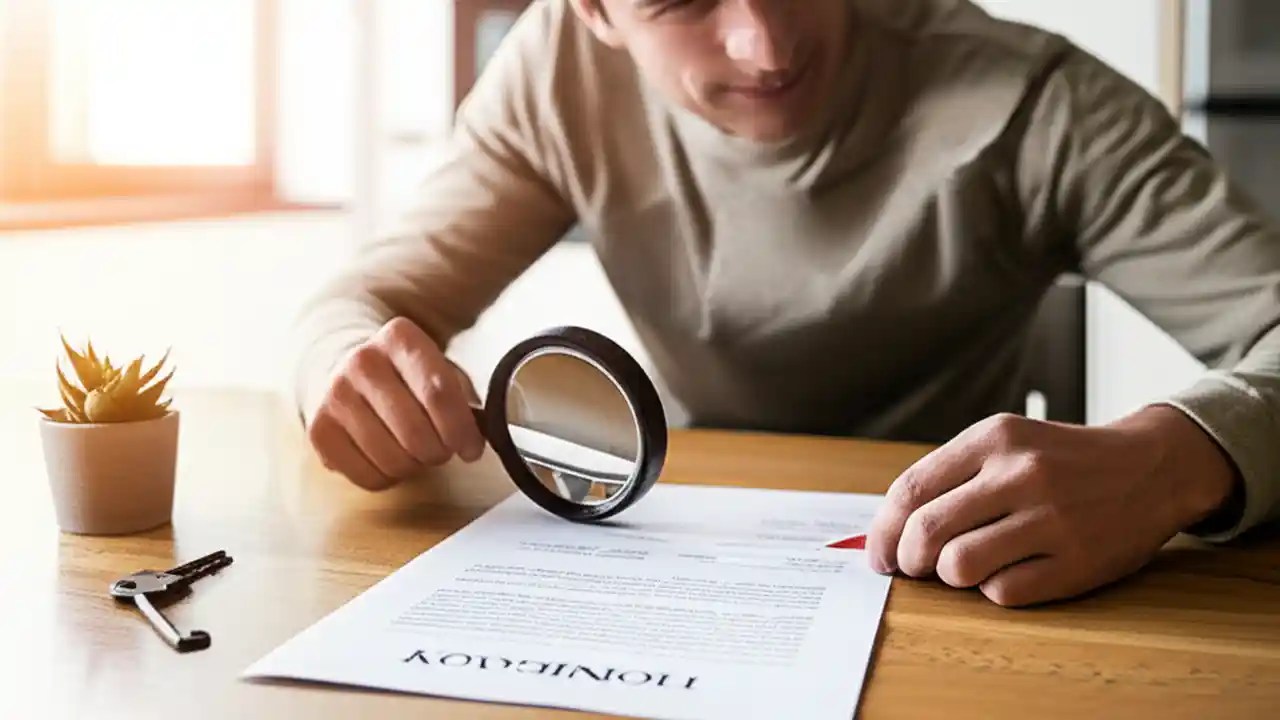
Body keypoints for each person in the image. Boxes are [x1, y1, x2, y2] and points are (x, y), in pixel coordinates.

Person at [289, 0, 1280, 607]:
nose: (762, 43)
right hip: (657, 562)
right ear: (590, 11)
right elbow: (366, 300)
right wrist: (342, 368)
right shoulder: (555, 71)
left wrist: (1174, 458)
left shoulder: (1034, 98)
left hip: (958, 579)